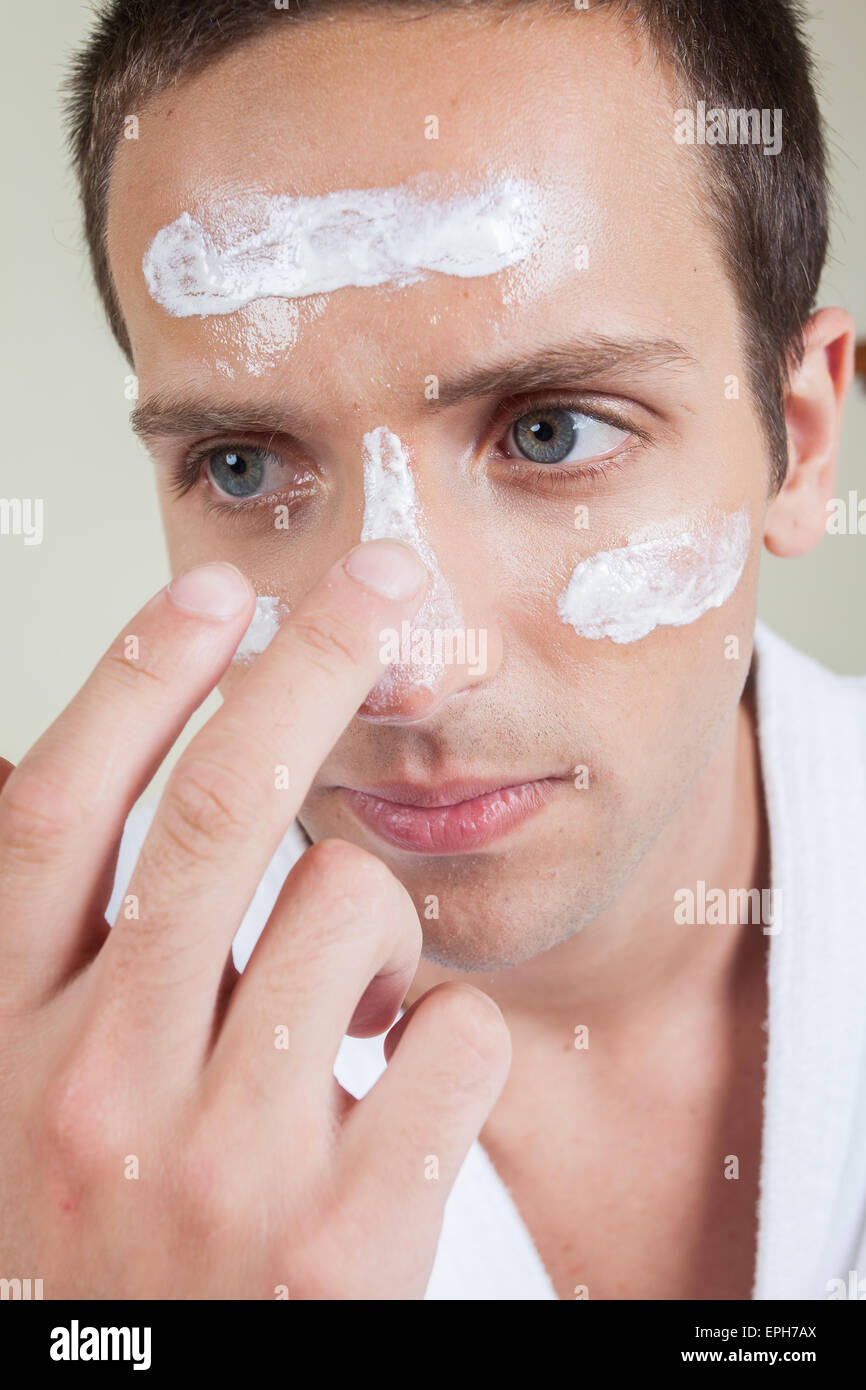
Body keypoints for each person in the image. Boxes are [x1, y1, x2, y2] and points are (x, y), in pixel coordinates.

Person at [1, 0, 863, 1301]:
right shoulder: (37, 1102)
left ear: (798, 441)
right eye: (242, 465)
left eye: (553, 432)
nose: (401, 667)